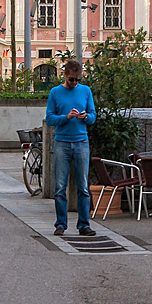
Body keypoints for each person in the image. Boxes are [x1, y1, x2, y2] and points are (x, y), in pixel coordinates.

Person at [45, 60, 97, 237]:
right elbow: (50, 118)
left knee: (83, 186)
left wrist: (85, 117)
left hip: (81, 141)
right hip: (62, 142)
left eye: (76, 80)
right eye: (71, 80)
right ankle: (60, 224)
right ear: (64, 76)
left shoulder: (86, 91)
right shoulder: (55, 92)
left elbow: (93, 116)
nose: (74, 83)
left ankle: (84, 225)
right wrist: (66, 117)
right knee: (60, 186)